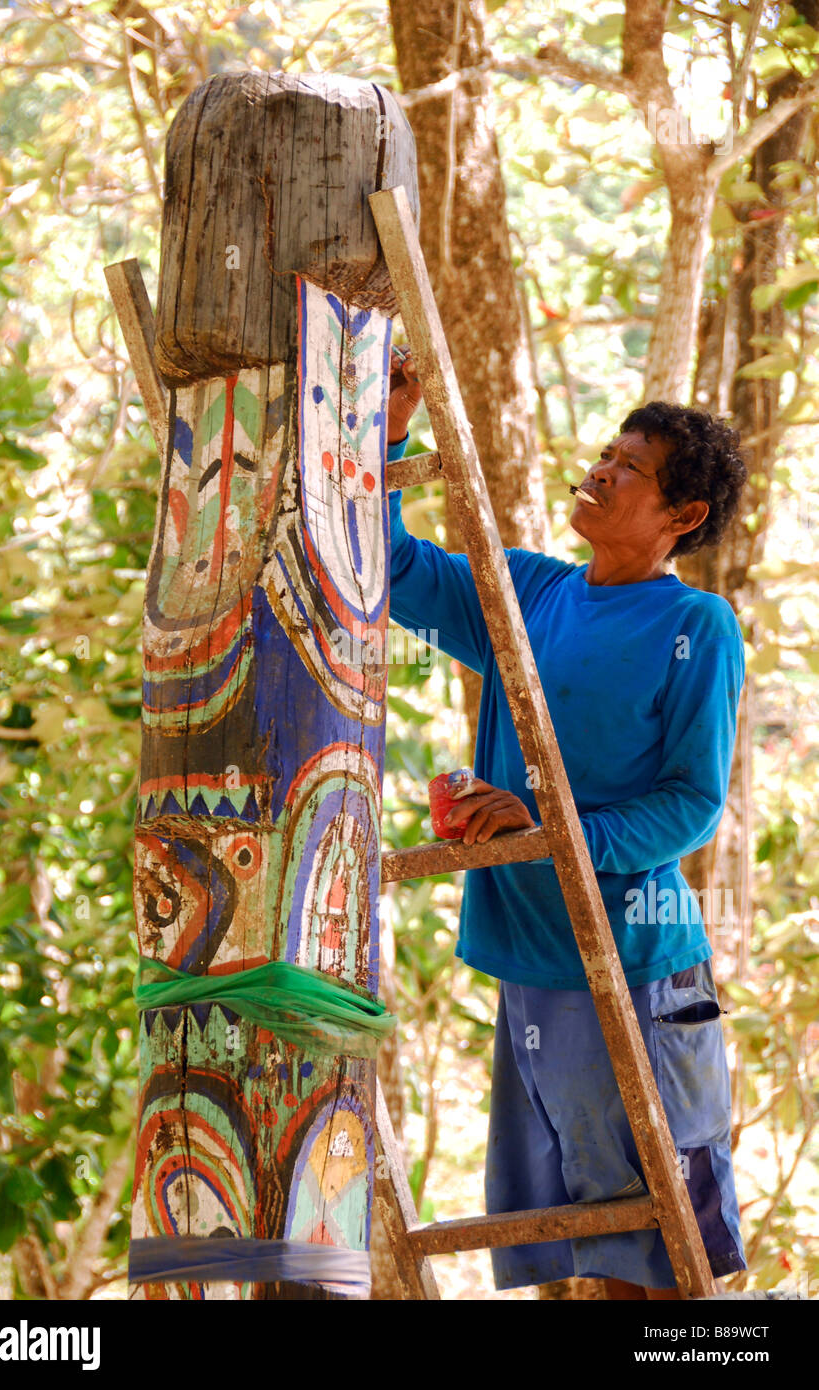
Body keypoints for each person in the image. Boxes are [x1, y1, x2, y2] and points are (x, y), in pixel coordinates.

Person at [384, 348, 748, 1299]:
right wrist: (389, 429)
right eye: (605, 452)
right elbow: (389, 568)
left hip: (632, 968)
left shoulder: (698, 628)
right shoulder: (528, 594)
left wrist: (546, 822)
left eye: (632, 467)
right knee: (563, 1253)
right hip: (531, 963)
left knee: (652, 1257)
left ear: (685, 516)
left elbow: (692, 803)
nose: (601, 470)